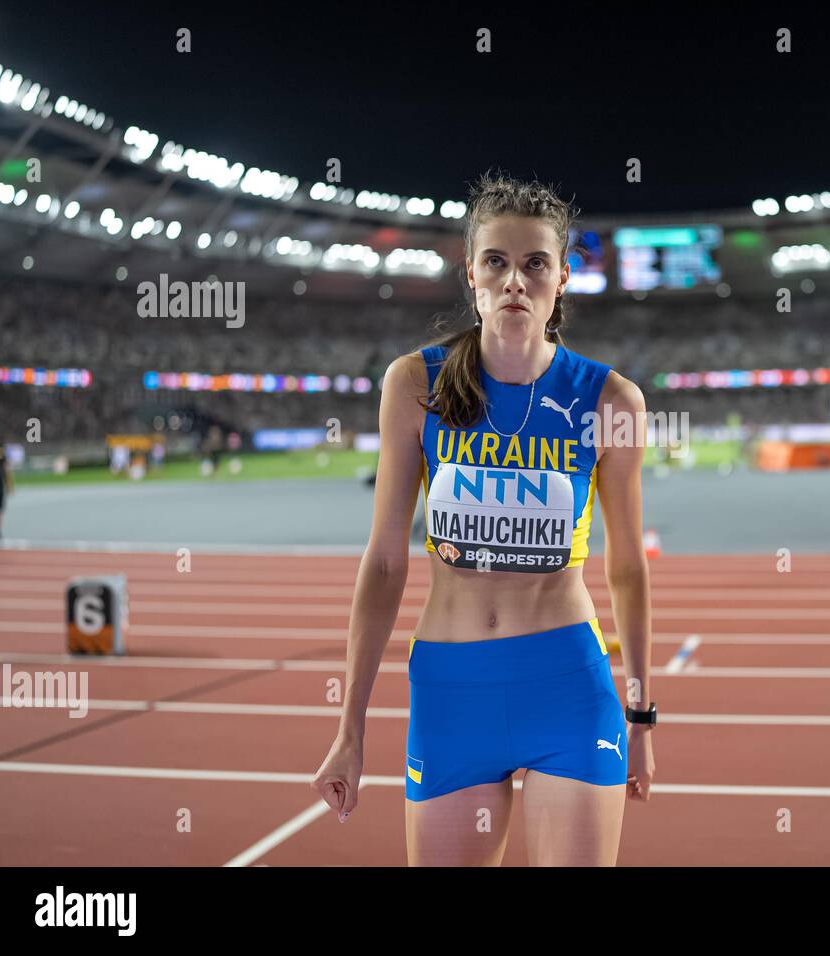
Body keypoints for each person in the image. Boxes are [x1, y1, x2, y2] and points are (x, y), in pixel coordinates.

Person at [311, 172, 654, 866]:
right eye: (496, 262)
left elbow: (626, 568)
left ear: (562, 279)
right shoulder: (417, 384)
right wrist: (349, 725)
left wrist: (641, 716)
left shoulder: (610, 399)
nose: (514, 281)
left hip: (568, 686)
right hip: (450, 691)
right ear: (471, 274)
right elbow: (383, 561)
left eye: (535, 264)